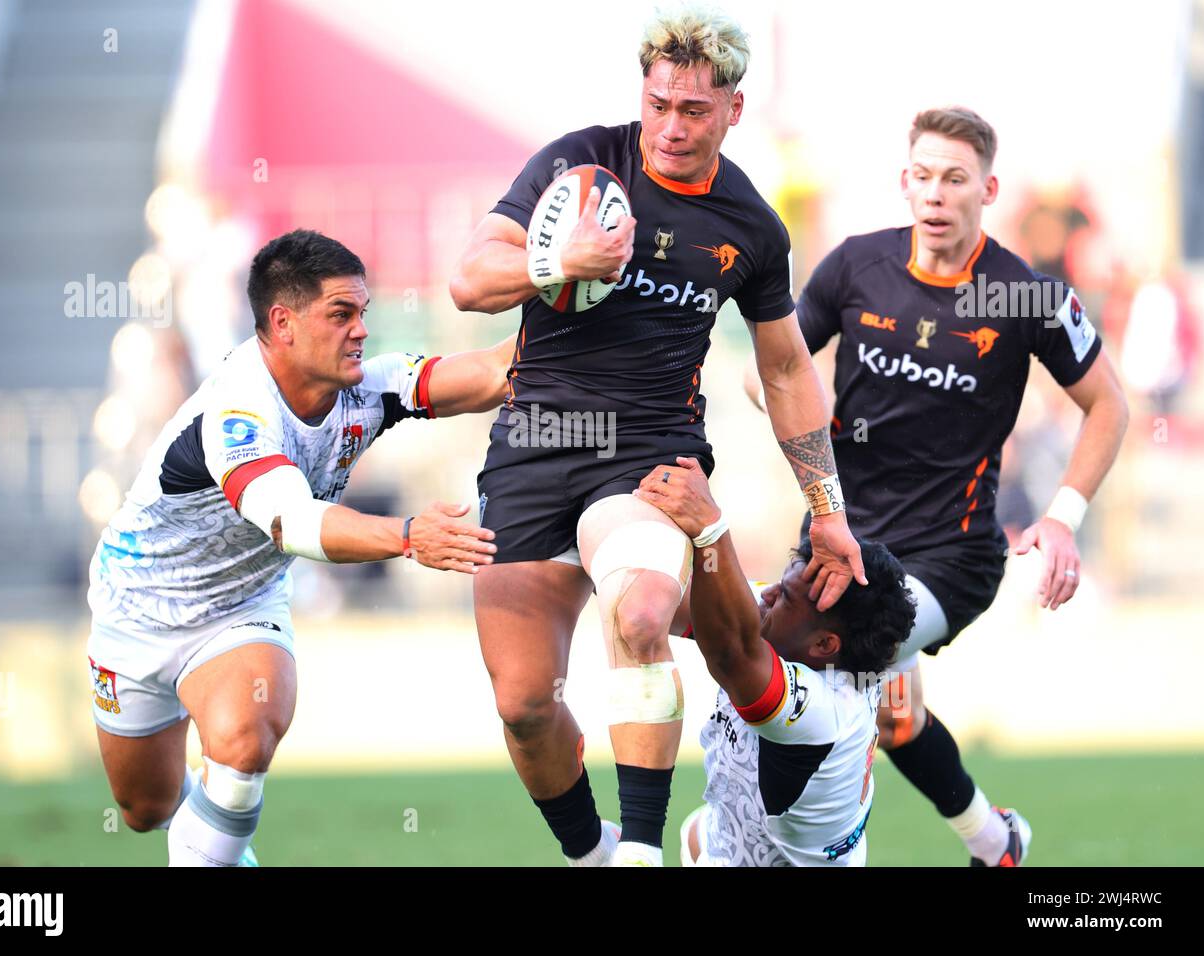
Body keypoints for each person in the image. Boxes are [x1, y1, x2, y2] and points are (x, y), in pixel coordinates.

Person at [449, 5, 865, 867]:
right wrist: (558, 261)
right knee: (525, 702)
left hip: (647, 457)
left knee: (639, 612)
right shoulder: (579, 164)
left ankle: (643, 851)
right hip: (531, 444)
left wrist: (827, 508)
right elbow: (467, 281)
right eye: (658, 104)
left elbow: (786, 369)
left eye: (695, 111)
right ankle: (595, 853)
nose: (671, 128)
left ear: (734, 111)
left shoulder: (750, 224)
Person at [746, 107, 1130, 865]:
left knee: (822, 658)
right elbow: (773, 371)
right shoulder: (856, 267)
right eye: (922, 176)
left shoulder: (1024, 295)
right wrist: (787, 399)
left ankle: (802, 851)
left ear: (987, 189)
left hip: (950, 558)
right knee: (895, 721)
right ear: (904, 183)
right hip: (844, 539)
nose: (935, 194)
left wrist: (1059, 518)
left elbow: (1109, 405)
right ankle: (996, 843)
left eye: (954, 179)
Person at [87, 229, 514, 866]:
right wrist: (406, 536)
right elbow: (290, 521)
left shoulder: (365, 389)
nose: (361, 331)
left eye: (363, 313)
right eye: (341, 314)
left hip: (240, 610)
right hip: (136, 610)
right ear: (283, 323)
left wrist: (568, 288)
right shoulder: (238, 409)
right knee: (144, 808)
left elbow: (490, 374)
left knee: (245, 737)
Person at [632, 457, 915, 866]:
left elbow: (731, 654)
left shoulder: (823, 710)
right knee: (698, 833)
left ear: (823, 645)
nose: (767, 594)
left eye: (784, 597)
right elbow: (664, 601)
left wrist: (711, 526)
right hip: (723, 837)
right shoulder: (798, 631)